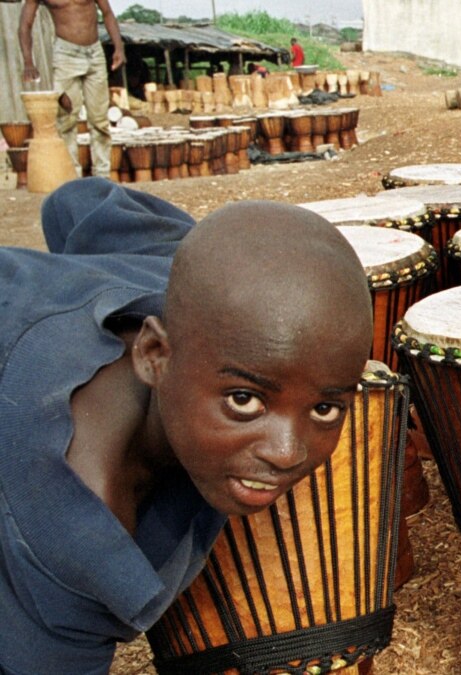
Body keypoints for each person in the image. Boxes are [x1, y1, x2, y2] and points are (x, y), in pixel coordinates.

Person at [0, 178, 374, 675]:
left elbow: (76, 202)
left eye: (325, 409)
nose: (287, 452)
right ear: (155, 355)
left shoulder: (181, 275)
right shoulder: (68, 540)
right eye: (244, 400)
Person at [19, 0, 126, 181]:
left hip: (94, 53)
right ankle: (72, 179)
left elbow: (107, 12)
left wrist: (119, 47)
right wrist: (28, 61)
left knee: (99, 120)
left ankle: (102, 176)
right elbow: (25, 25)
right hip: (65, 55)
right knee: (66, 119)